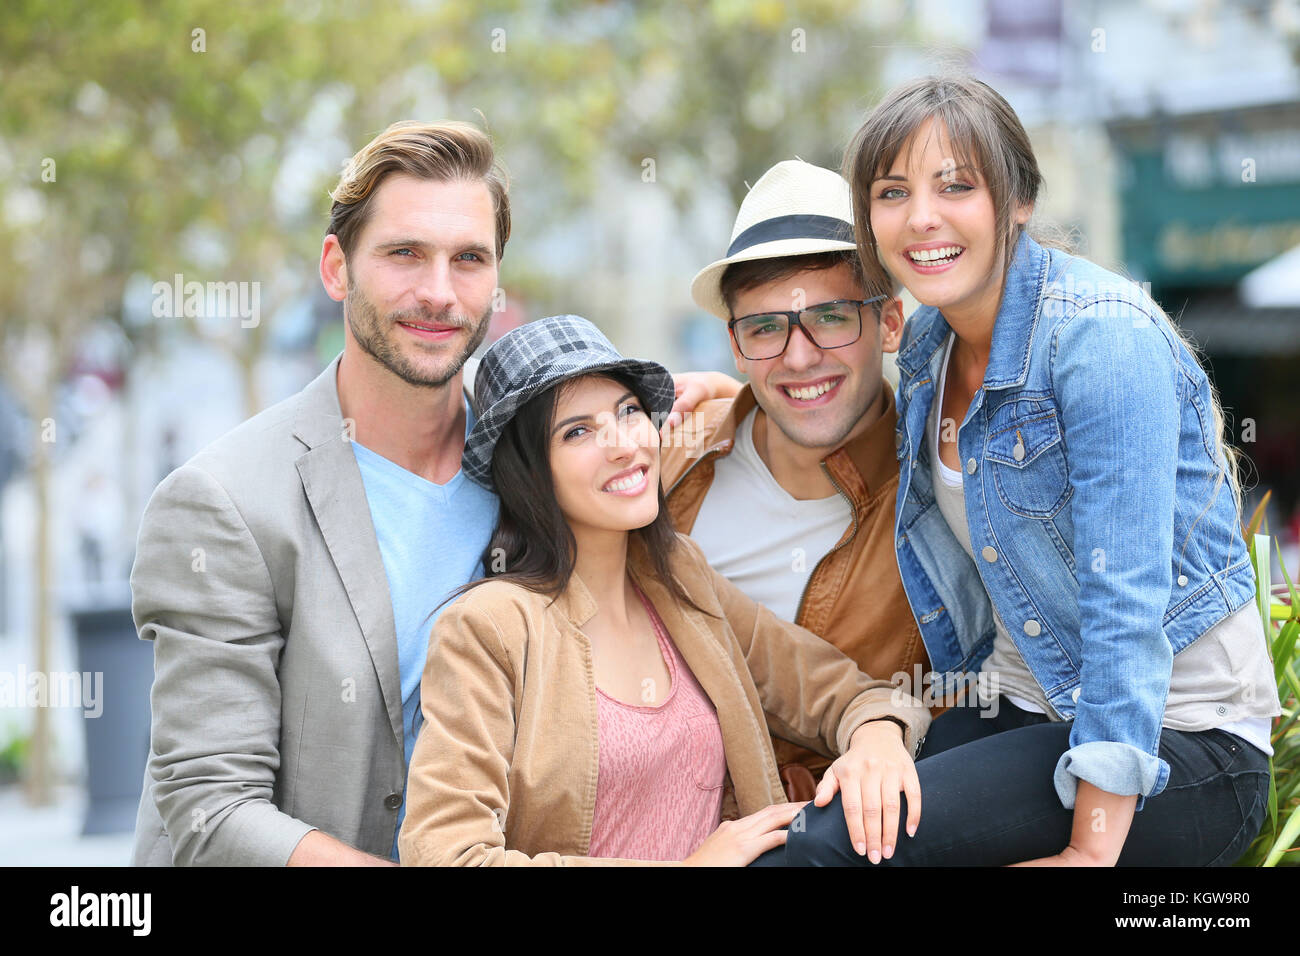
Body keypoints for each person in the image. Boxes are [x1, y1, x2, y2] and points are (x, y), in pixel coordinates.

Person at [130, 121, 739, 866]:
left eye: (470, 259)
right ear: (336, 267)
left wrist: (739, 406)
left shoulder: (537, 454)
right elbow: (212, 809)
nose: (439, 293)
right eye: (404, 254)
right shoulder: (223, 504)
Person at [778, 74, 1280, 866]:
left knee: (824, 854)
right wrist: (725, 401)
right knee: (802, 826)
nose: (922, 218)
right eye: (892, 191)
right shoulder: (928, 350)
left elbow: (1126, 608)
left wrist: (1090, 850)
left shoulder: (1099, 341)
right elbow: (842, 412)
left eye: (957, 186)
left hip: (1178, 745)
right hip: (1023, 704)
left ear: (1017, 202)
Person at [396, 314, 931, 866]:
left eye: (628, 412)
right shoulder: (490, 627)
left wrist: (877, 739)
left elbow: (844, 692)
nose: (624, 445)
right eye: (576, 432)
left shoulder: (681, 579)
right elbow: (446, 856)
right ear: (528, 472)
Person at [661, 160, 933, 805]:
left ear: (889, 323)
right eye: (766, 329)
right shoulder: (666, 458)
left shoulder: (939, 500)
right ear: (735, 344)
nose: (800, 355)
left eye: (833, 317)